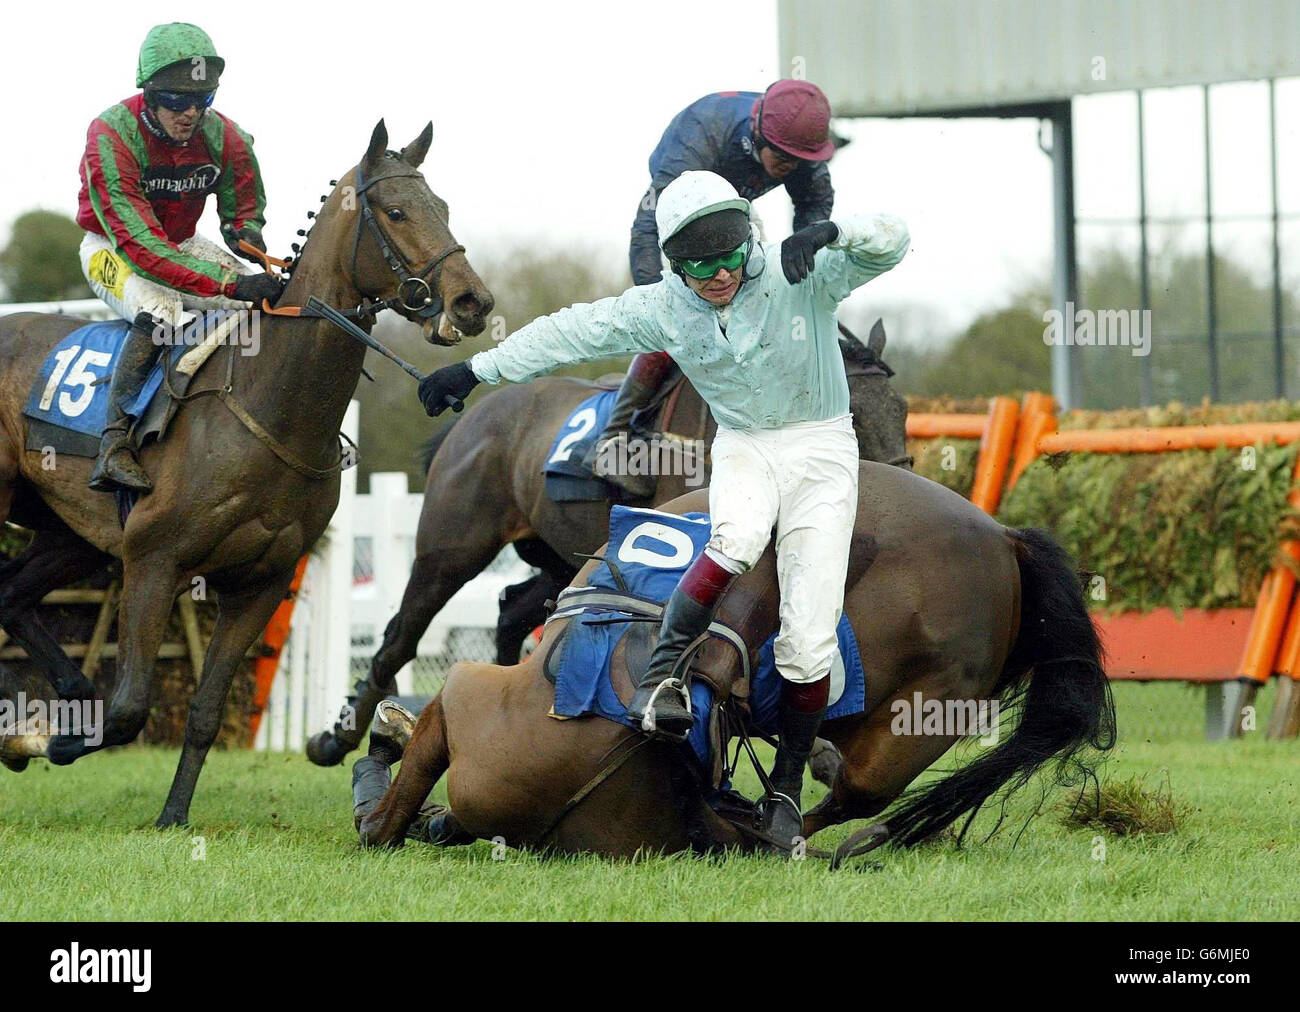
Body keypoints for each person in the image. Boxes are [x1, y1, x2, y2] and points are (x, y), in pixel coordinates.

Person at [416, 170, 908, 845]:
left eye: (729, 256)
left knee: (808, 638)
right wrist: (476, 371)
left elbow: (894, 242)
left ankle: (787, 792)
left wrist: (835, 233)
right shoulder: (665, 306)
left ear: (748, 239)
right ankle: (662, 680)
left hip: (821, 448)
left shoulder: (801, 273)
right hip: (745, 444)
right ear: (675, 263)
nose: (719, 275)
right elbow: (568, 332)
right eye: (699, 265)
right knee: (733, 541)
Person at [587, 80, 840, 498]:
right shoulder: (699, 138)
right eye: (782, 158)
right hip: (673, 215)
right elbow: (652, 226)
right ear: (759, 136)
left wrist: (805, 247)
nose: (791, 168)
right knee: (671, 318)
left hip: (733, 212)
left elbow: (814, 207)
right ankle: (613, 438)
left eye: (800, 162)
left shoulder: (798, 147)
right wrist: (659, 303)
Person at [77, 22, 284, 494]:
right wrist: (229, 283)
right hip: (113, 246)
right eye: (175, 101)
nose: (190, 113)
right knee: (162, 313)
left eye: (202, 100)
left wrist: (244, 233)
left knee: (267, 304)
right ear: (149, 94)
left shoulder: (227, 136)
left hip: (183, 243)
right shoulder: (110, 133)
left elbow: (242, 204)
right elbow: (140, 245)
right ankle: (114, 444)